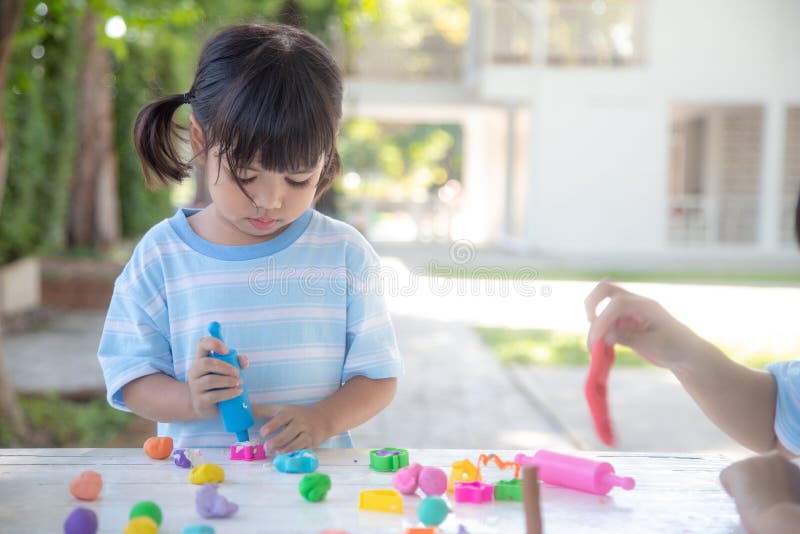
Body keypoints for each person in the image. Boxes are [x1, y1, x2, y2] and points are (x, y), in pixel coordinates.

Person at [97, 23, 402, 453]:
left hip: (312, 498)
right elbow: (130, 376)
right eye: (246, 176)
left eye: (298, 178)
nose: (270, 200)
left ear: (327, 153)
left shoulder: (344, 255)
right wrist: (192, 399)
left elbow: (379, 375)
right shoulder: (162, 256)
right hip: (199, 492)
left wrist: (323, 420)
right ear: (201, 141)